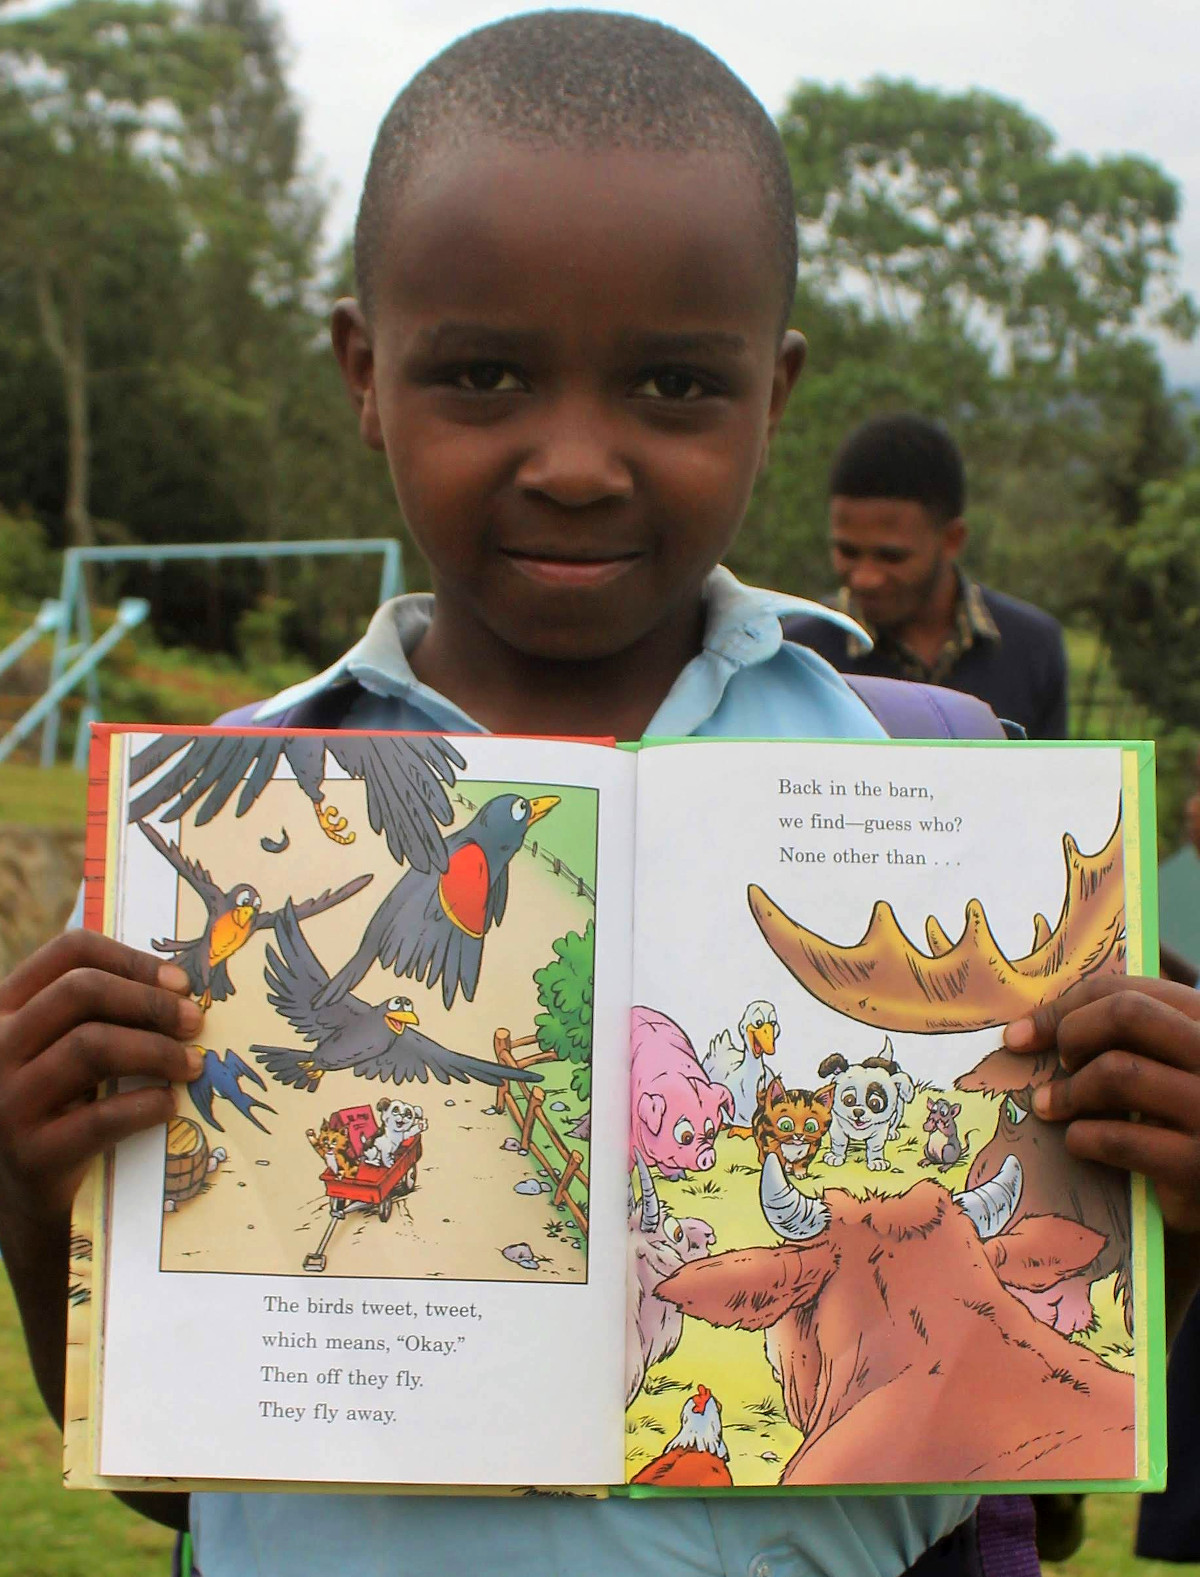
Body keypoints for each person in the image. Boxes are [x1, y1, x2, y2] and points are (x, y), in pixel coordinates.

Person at [2, 14, 1200, 1577]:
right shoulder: (217, 830)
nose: (577, 459)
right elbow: (174, 1475)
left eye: (672, 385)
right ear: (366, 373)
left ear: (773, 392)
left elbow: (1032, 1410)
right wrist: (35, 1182)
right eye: (485, 373)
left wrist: (1171, 1182)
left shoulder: (946, 781)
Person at [782, 414, 1069, 739]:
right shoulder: (797, 655)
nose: (864, 578)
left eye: (891, 556)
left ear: (952, 540)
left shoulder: (1031, 648)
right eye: (847, 552)